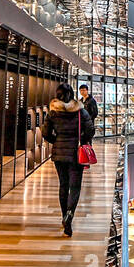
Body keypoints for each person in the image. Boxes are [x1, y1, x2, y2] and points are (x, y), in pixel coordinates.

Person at [42, 82, 94, 237]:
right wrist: (82, 141)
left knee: (63, 185)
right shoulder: (80, 111)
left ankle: (64, 216)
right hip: (75, 153)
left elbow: (45, 133)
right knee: (75, 187)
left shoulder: (53, 112)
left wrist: (56, 141)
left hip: (59, 154)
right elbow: (90, 129)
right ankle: (69, 216)